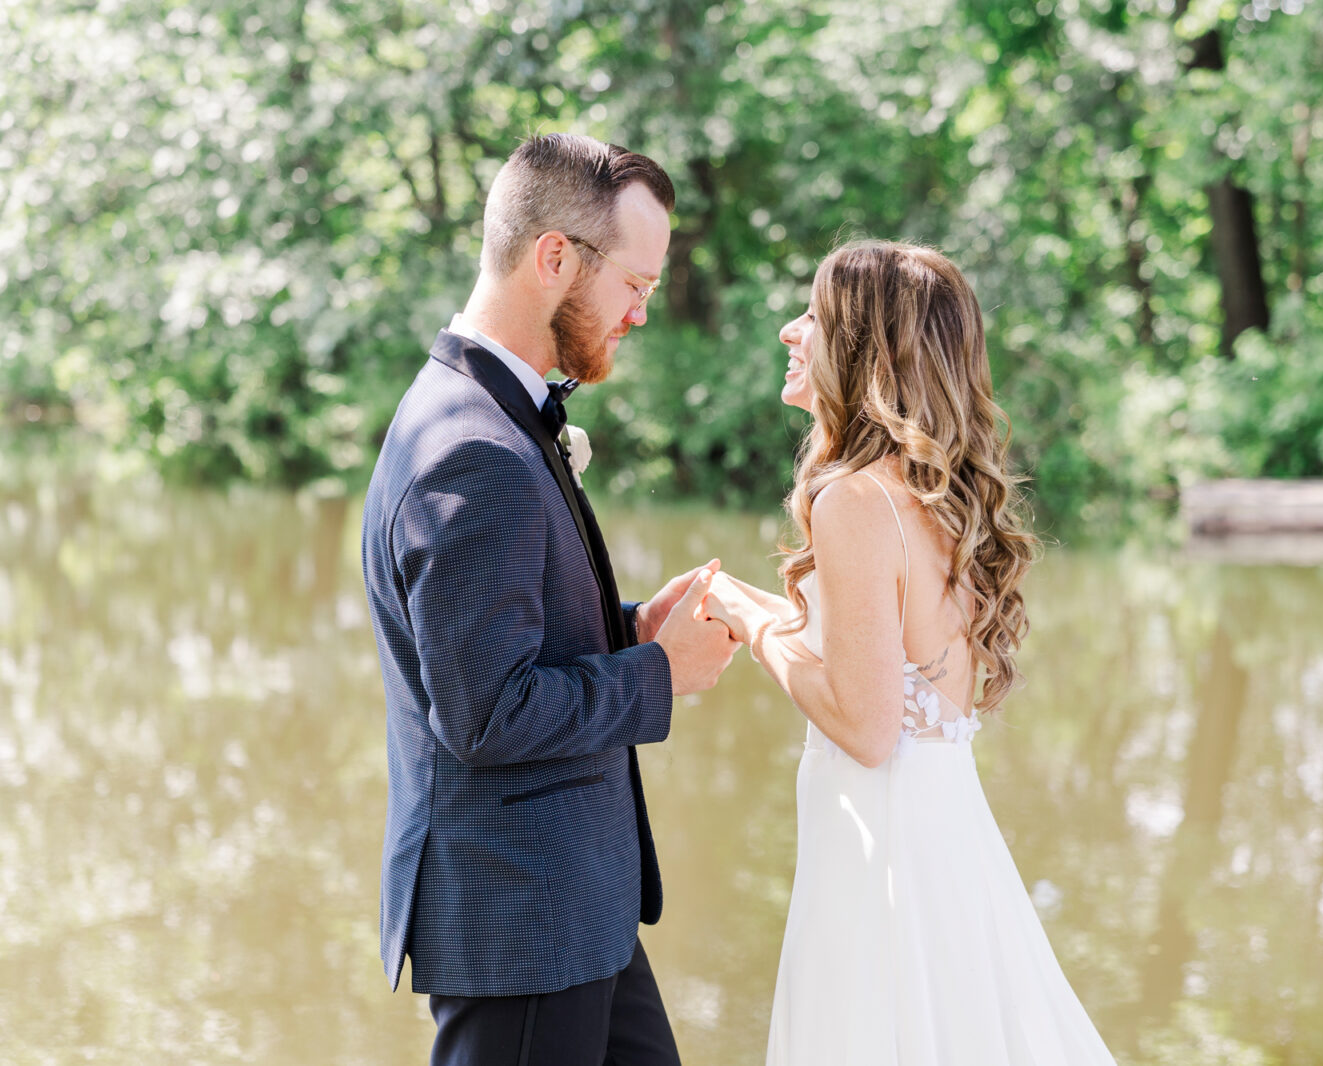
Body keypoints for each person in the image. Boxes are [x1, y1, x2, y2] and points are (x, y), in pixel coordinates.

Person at [360, 132, 739, 1066]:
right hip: (518, 923)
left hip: (575, 909)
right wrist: (659, 673)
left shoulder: (493, 410)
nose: (642, 313)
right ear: (555, 258)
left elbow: (503, 638)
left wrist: (628, 629)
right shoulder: (470, 450)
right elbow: (486, 714)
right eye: (635, 286)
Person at [705, 241, 1119, 1064]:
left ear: (865, 348)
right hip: (939, 829)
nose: (792, 332)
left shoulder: (853, 500)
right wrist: (750, 604)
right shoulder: (927, 492)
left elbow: (865, 727)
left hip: (881, 847)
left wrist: (748, 624)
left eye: (815, 318)